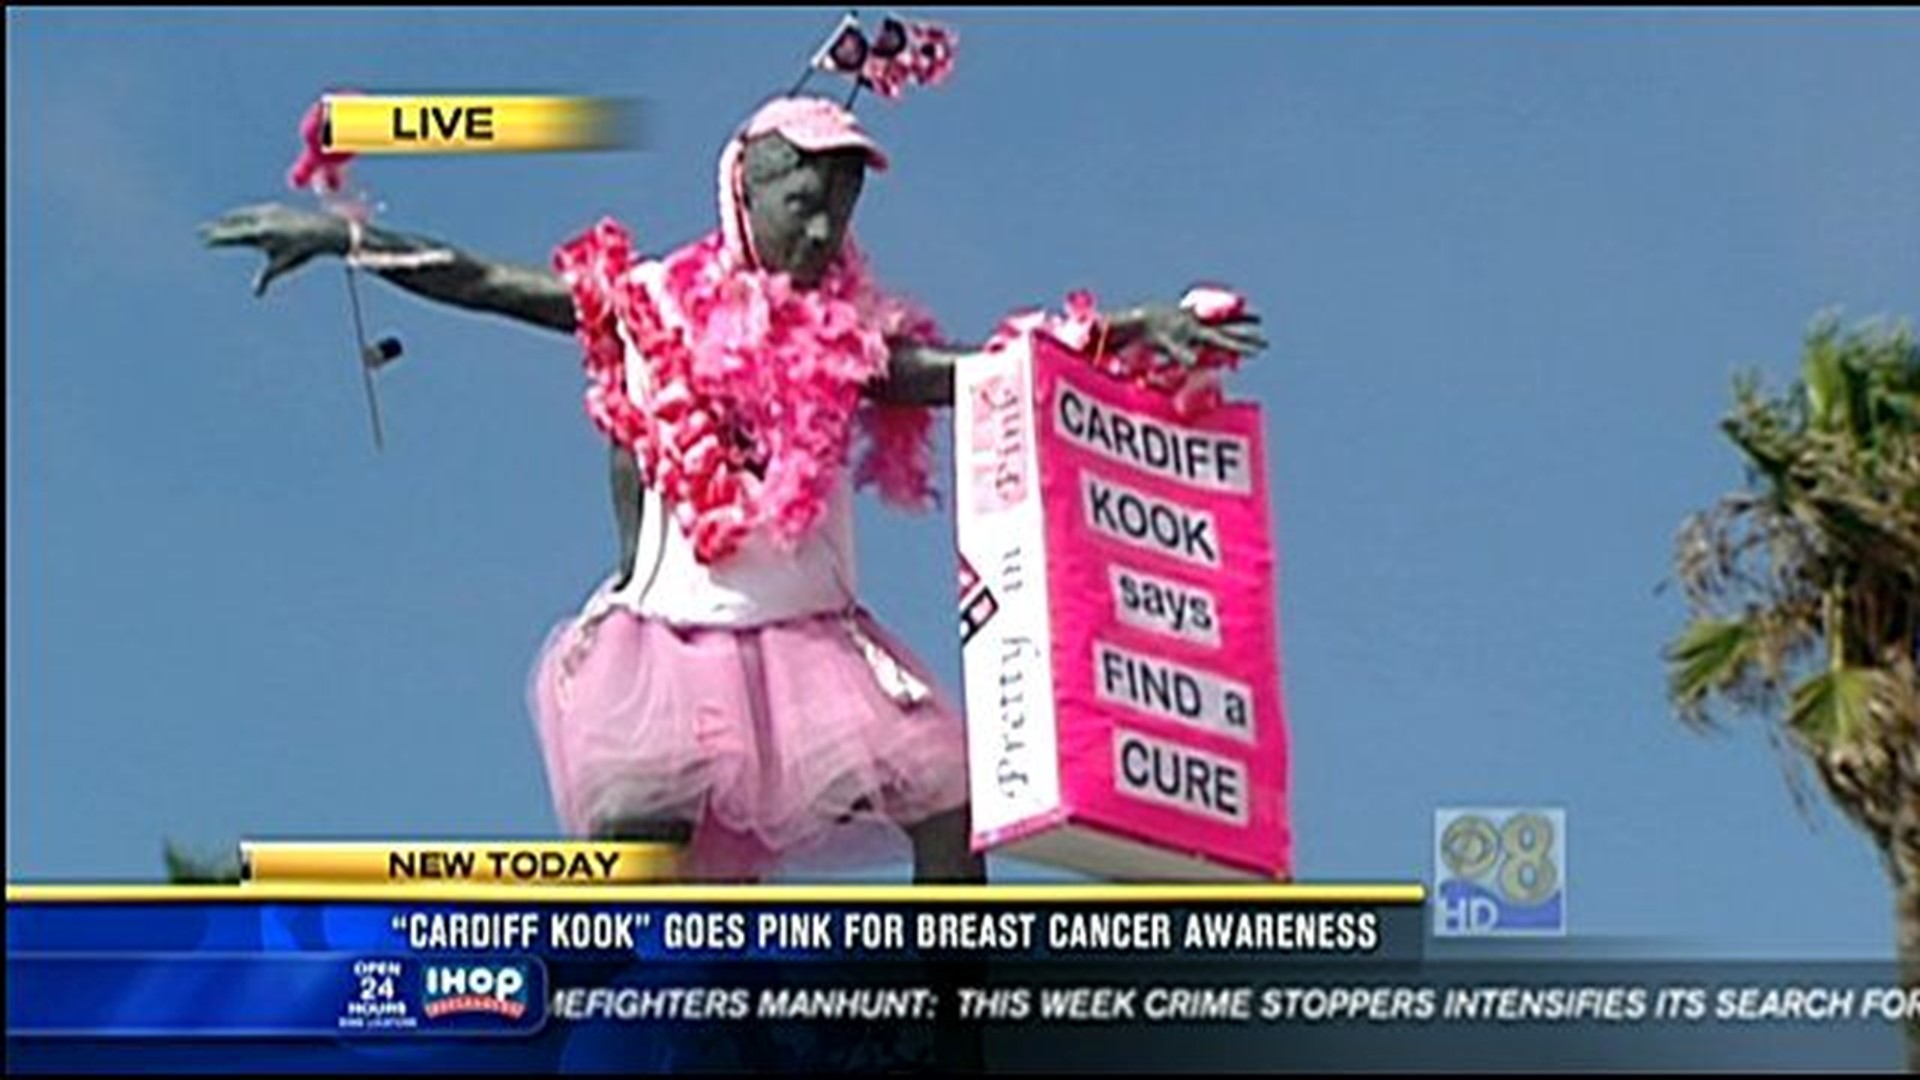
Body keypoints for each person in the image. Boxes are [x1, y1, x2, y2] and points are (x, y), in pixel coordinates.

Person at [201, 93, 1266, 885]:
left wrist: (1127, 329)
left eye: (840, 212)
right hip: (668, 651)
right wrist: (346, 240)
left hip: (815, 652)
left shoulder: (849, 340)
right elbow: (481, 279)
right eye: (804, 204)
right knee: (645, 848)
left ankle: (950, 1036)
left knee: (951, 809)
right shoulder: (646, 305)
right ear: (744, 197)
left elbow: (990, 371)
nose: (823, 233)